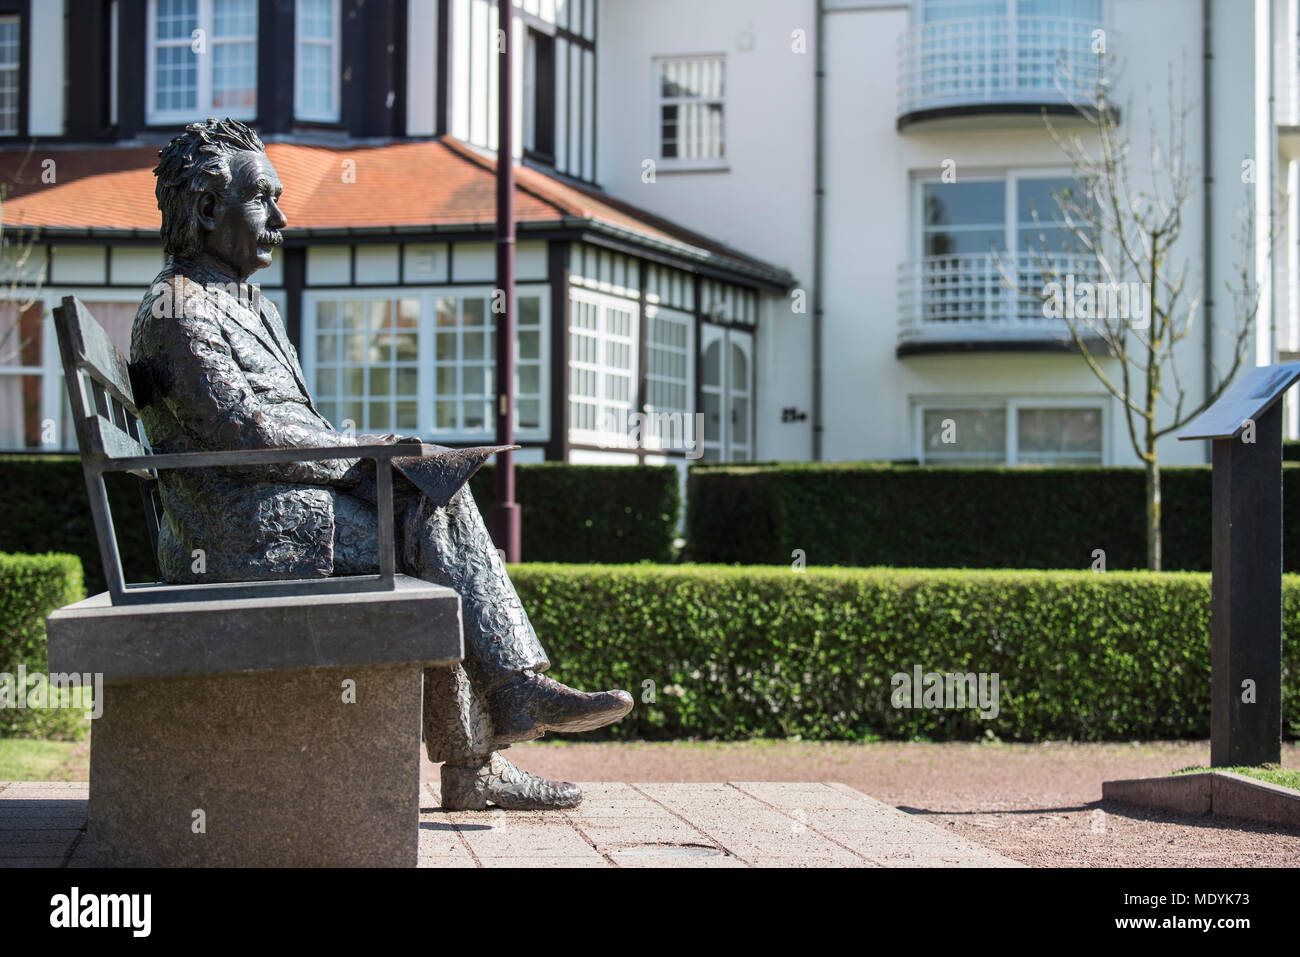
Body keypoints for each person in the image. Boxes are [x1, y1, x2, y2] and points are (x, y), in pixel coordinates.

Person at [129, 117, 632, 810]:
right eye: (262, 200)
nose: (280, 216)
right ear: (209, 208)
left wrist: (379, 459)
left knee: (434, 496)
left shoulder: (249, 305)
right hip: (231, 529)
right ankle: (489, 737)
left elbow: (285, 426)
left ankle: (501, 713)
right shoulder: (176, 306)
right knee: (427, 532)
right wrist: (362, 462)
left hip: (279, 503)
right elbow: (244, 433)